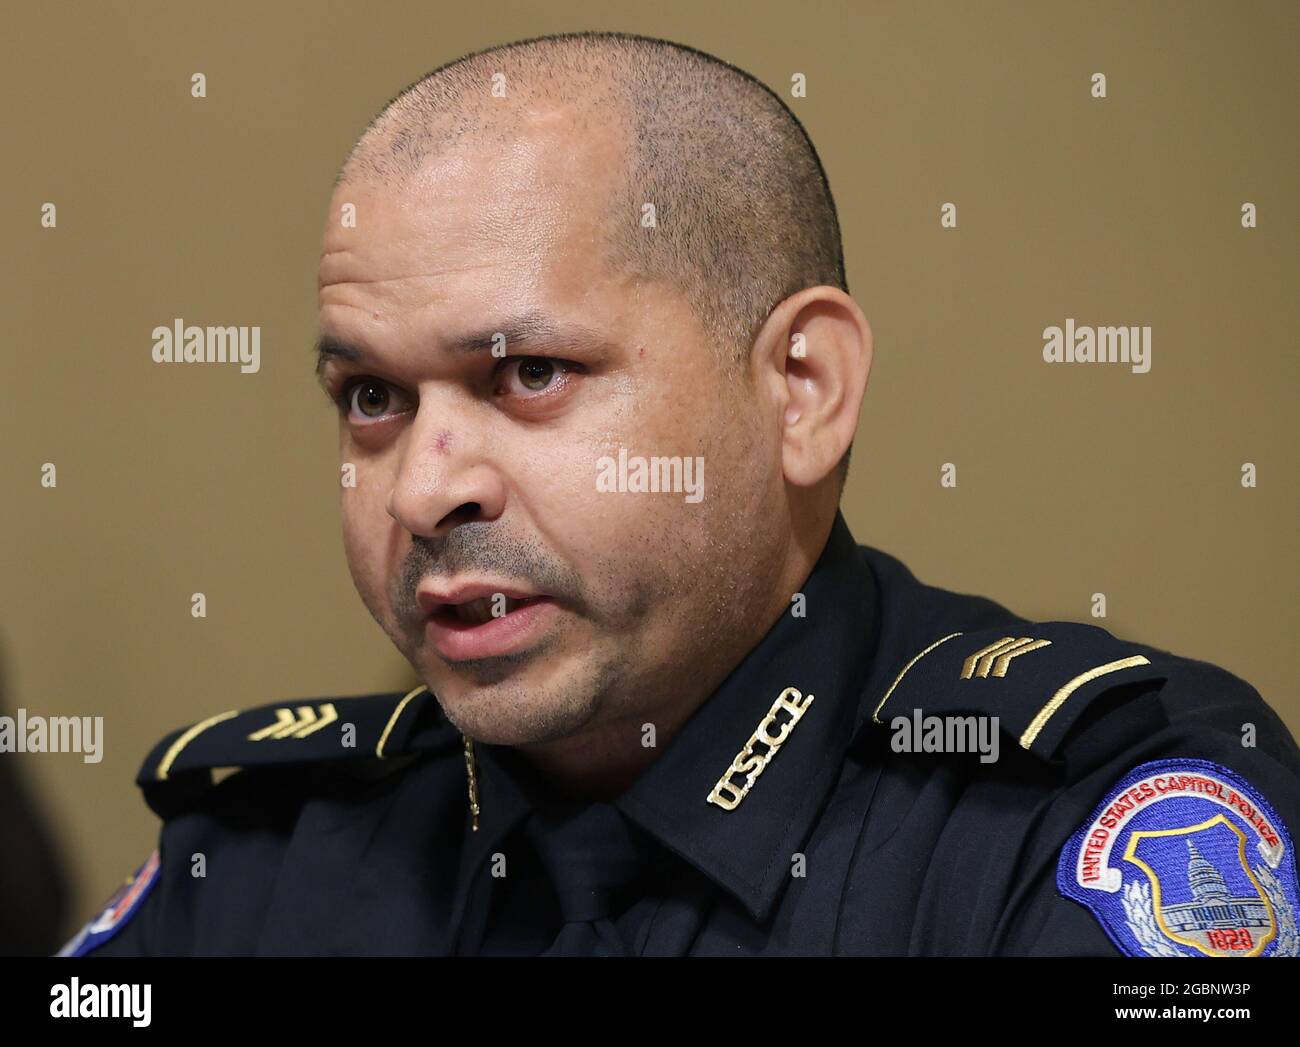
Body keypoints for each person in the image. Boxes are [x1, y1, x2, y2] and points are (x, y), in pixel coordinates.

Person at [61, 30, 1300, 957]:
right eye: (373, 400)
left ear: (801, 388)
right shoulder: (262, 857)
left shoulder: (1088, 821)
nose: (425, 489)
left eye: (530, 373)